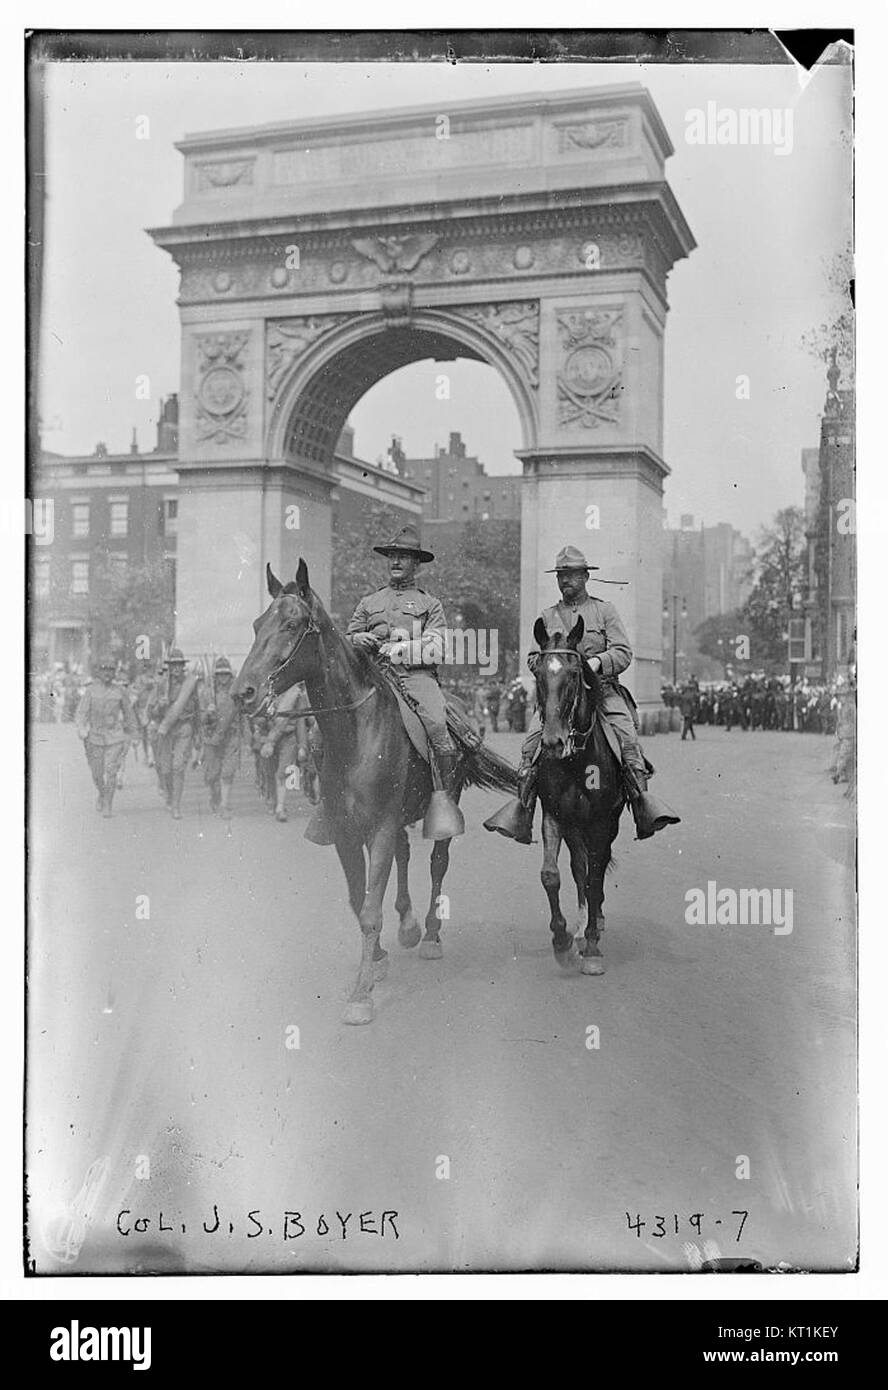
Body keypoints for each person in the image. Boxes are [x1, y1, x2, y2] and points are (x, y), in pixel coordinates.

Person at [485, 545, 680, 844]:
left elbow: (623, 652)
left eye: (572, 575)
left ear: (586, 577)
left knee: (627, 740)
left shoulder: (604, 611)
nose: (566, 581)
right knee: (531, 746)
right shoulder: (548, 616)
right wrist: (553, 667)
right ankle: (521, 810)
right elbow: (533, 657)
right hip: (561, 696)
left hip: (603, 691)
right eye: (561, 575)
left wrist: (595, 663)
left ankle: (643, 805)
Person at [308, 523, 462, 842]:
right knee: (317, 734)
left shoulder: (430, 605)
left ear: (416, 564)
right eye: (392, 556)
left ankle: (440, 801)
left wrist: (403, 648)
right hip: (370, 677)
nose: (396, 562)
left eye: (403, 557)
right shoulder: (368, 602)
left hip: (414, 677)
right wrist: (356, 639)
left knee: (437, 728)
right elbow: (344, 642)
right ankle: (330, 803)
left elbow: (437, 646)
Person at [75, 655, 138, 817]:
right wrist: (81, 728)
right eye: (104, 669)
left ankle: (108, 804)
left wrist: (134, 733)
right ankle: (102, 794)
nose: (108, 673)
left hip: (115, 737)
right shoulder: (90, 691)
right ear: (98, 671)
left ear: (115, 672)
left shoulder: (120, 691)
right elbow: (81, 713)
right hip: (95, 737)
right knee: (97, 773)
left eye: (111, 669)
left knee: (111, 772)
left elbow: (129, 714)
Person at [147, 648, 201, 819]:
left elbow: (197, 708)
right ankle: (170, 796)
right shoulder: (161, 685)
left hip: (184, 727)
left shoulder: (190, 684)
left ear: (183, 666)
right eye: (173, 665)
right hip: (165, 730)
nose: (176, 668)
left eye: (179, 665)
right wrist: (160, 707)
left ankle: (176, 805)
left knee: (178, 767)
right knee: (165, 769)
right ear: (169, 667)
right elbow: (151, 713)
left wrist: (198, 734)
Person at [201, 655, 241, 819]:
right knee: (212, 775)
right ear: (215, 676)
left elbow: (242, 715)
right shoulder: (207, 693)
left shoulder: (236, 694)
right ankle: (215, 797)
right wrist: (208, 713)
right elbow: (201, 720)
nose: (223, 678)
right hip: (212, 738)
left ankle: (224, 805)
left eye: (225, 674)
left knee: (228, 772)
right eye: (220, 674)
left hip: (231, 736)